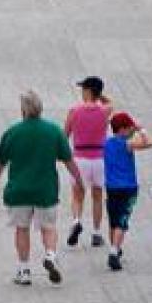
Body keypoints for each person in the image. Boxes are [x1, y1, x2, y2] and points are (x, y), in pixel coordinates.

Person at [0, 90, 81, 286]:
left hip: (19, 191)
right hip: (45, 191)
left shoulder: (12, 133)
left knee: (22, 229)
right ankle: (50, 256)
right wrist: (78, 179)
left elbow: (0, 163)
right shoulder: (53, 131)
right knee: (48, 227)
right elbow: (68, 160)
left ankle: (24, 270)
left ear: (23, 110)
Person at [64, 76, 111, 249]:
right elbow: (110, 102)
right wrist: (100, 97)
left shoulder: (74, 111)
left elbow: (64, 136)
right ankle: (97, 233)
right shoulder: (105, 110)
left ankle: (76, 221)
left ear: (89, 91)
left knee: (77, 195)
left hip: (80, 158)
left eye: (84, 89)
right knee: (97, 196)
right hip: (99, 158)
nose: (82, 92)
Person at [102, 110, 152, 271]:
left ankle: (114, 248)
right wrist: (141, 129)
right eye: (130, 127)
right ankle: (113, 252)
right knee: (122, 222)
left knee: (113, 219)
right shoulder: (127, 144)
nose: (132, 130)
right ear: (122, 129)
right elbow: (149, 143)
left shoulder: (107, 144)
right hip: (128, 188)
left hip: (111, 187)